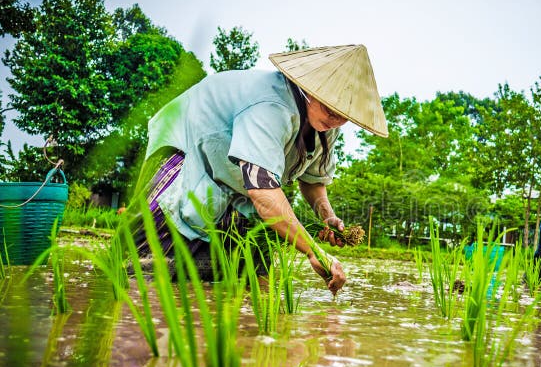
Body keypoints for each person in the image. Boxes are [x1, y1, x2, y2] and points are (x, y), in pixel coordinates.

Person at [133, 45, 388, 295]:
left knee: (250, 277)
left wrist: (327, 216)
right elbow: (264, 193)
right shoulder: (271, 105)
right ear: (312, 90)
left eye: (342, 114)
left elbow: (312, 180)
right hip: (188, 150)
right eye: (329, 107)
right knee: (150, 273)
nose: (334, 118)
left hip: (235, 182)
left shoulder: (327, 128)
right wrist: (312, 250)